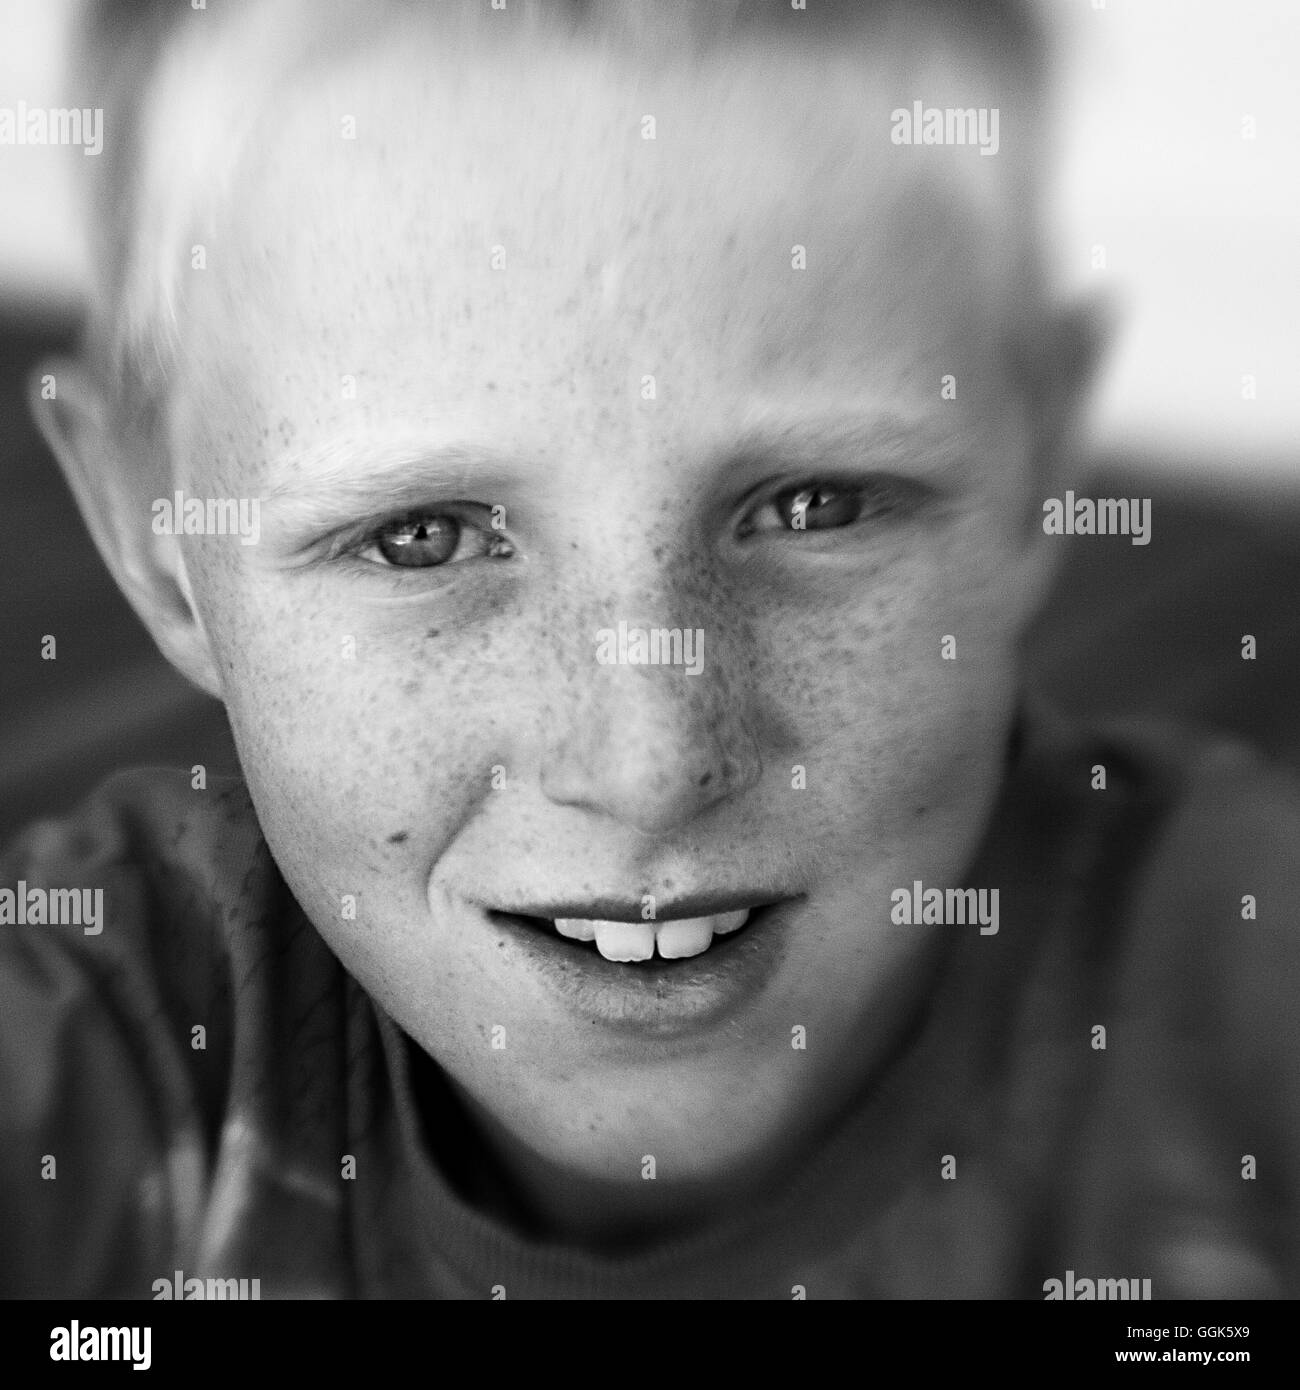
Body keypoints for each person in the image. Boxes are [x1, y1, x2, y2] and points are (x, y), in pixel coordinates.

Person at [2, 0, 1296, 1298]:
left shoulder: (1246, 998)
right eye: (422, 538)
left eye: (816, 506)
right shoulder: (102, 1040)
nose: (651, 762)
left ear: (1041, 463)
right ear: (156, 538)